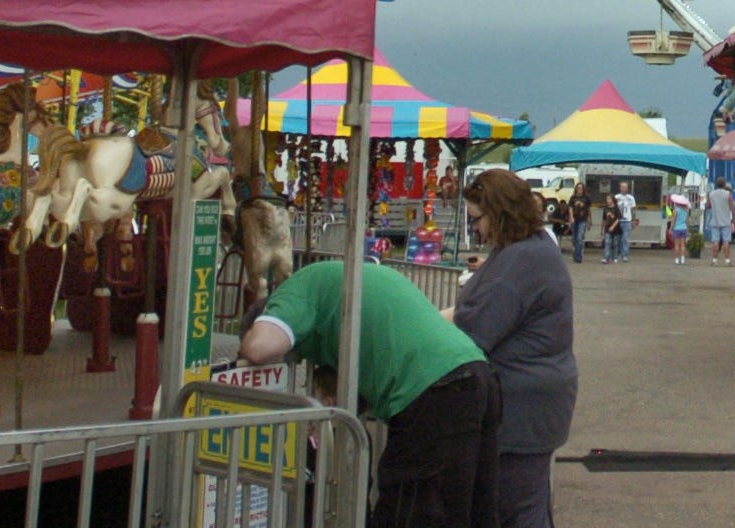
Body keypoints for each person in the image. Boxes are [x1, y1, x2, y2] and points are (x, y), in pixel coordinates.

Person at [237, 259, 500, 527]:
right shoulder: (340, 284)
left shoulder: (292, 294)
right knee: (474, 512)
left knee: (405, 513)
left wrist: (245, 348)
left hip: (433, 390)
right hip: (477, 374)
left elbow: (260, 347)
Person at [457, 170, 577, 528]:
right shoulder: (529, 249)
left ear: (498, 213)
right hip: (532, 406)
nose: (475, 229)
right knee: (528, 507)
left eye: (477, 219)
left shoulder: (520, 261)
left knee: (513, 510)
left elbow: (476, 329)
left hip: (520, 412)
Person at [705, 178, 735, 265]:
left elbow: (708, 206)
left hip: (715, 221)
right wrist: (733, 219)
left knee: (715, 241)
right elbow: (732, 208)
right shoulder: (728, 194)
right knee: (726, 241)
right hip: (726, 221)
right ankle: (727, 260)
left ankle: (714, 260)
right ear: (724, 185)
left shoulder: (711, 194)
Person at [606, 182, 636, 263]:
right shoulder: (616, 197)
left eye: (625, 187)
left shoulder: (631, 198)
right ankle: (617, 254)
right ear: (620, 188)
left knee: (626, 239)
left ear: (627, 188)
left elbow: (633, 210)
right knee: (617, 239)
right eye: (622, 187)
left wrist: (633, 220)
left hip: (627, 221)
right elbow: (612, 208)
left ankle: (625, 255)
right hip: (618, 221)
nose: (624, 189)